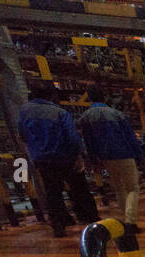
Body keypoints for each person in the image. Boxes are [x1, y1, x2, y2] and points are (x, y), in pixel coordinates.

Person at [17, 81, 99, 237]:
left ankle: (59, 224)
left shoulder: (24, 112)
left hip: (42, 159)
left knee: (53, 192)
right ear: (50, 95)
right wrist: (79, 155)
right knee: (79, 188)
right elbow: (72, 138)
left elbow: (22, 135)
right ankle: (89, 218)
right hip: (64, 156)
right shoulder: (59, 112)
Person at [78, 84, 143, 231]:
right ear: (104, 97)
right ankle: (130, 220)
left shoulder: (86, 118)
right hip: (125, 154)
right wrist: (139, 156)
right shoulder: (117, 114)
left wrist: (94, 160)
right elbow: (130, 137)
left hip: (106, 157)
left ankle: (126, 219)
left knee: (118, 187)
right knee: (132, 187)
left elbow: (89, 142)